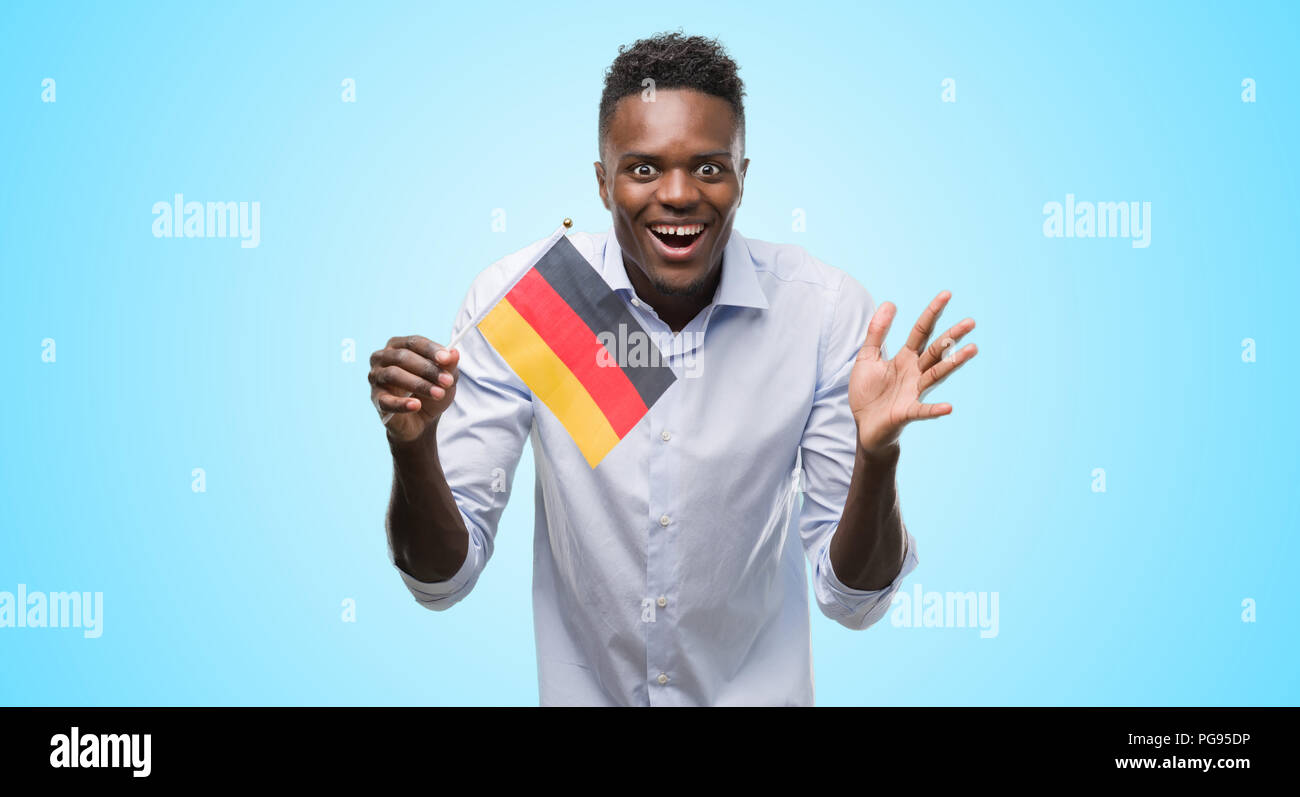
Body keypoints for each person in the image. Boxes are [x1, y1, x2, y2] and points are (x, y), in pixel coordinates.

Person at [368, 31, 978, 706]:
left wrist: (878, 453)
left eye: (710, 168)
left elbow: (854, 600)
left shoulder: (822, 313)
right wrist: (413, 447)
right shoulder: (535, 304)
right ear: (602, 181)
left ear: (744, 176)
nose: (679, 194)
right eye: (644, 168)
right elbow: (442, 579)